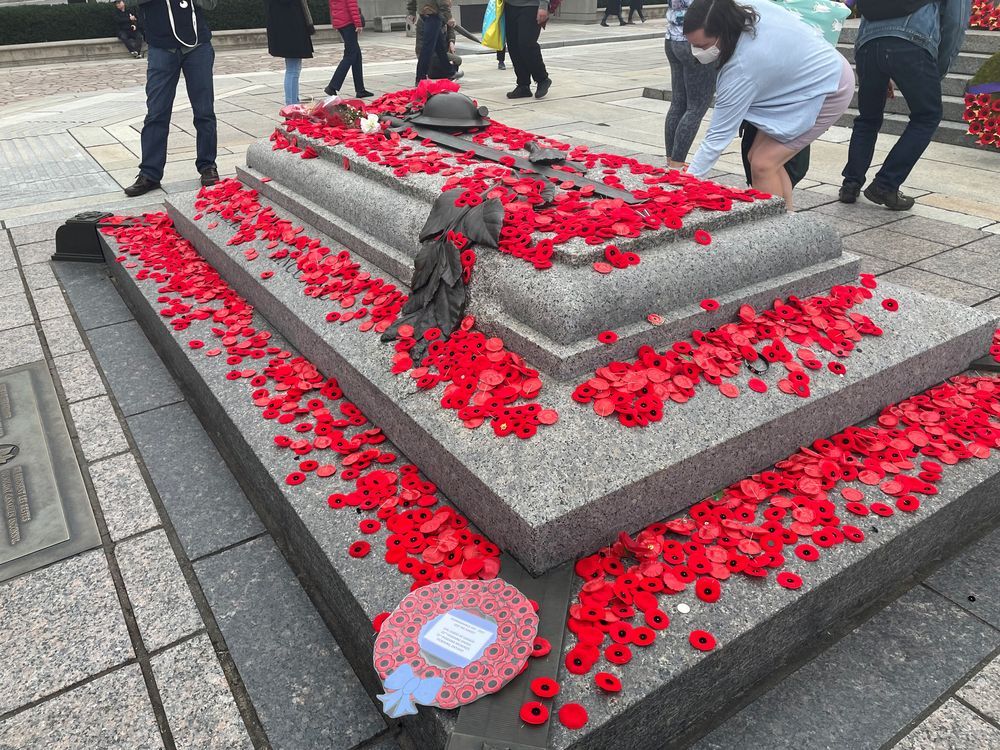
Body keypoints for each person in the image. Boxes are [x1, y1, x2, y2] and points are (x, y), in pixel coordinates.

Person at [683, 0, 854, 211]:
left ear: (724, 32)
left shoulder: (743, 67)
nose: (696, 52)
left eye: (703, 46)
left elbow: (717, 137)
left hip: (829, 88)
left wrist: (684, 186)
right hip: (797, 82)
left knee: (764, 164)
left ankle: (778, 228)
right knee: (758, 157)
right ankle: (789, 221)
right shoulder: (738, 8)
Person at [839, 0, 972, 210]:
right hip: (912, 43)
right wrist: (937, 69)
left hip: (868, 45)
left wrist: (876, 64)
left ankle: (850, 184)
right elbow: (956, 22)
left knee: (867, 118)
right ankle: (885, 184)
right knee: (927, 116)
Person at [124, 0, 219, 197]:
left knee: (204, 111)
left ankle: (207, 165)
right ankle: (150, 173)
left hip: (197, 46)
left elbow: (211, 4)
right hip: (161, 48)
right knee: (156, 113)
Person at [663, 0, 717, 169]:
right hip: (697, 40)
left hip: (672, 39)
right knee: (696, 107)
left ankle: (672, 160)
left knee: (678, 103)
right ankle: (677, 164)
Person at [264, 0, 314, 106]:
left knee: (294, 69)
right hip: (291, 29)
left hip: (287, 29)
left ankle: (293, 101)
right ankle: (292, 104)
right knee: (293, 70)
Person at [505, 0, 552, 99]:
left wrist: (543, 6)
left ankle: (542, 79)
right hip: (509, 5)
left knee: (526, 44)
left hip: (531, 6)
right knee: (513, 46)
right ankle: (523, 85)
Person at [326, 0, 373, 97]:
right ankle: (332, 86)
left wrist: (335, 23)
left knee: (357, 56)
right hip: (348, 23)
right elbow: (352, 5)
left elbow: (332, 6)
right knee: (350, 55)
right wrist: (358, 23)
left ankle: (360, 89)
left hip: (341, 23)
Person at [408, 0, 458, 85]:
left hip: (425, 12)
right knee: (428, 48)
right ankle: (420, 78)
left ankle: (449, 71)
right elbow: (442, 1)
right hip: (433, 13)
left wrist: (411, 11)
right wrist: (449, 16)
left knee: (440, 47)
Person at [414, 16, 463, 80]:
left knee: (446, 55)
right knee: (456, 60)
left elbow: (450, 29)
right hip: (430, 53)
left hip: (438, 50)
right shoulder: (429, 19)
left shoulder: (439, 17)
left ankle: (449, 72)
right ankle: (446, 73)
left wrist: (451, 41)